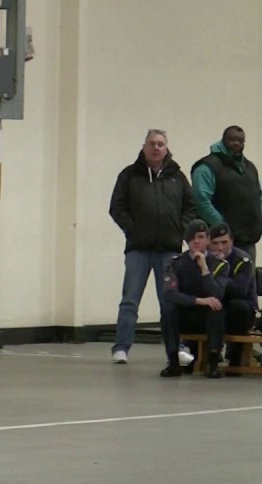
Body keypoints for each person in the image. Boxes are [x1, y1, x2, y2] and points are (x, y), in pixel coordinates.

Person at [106, 129, 197, 364]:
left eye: (161, 144)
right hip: (139, 248)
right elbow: (117, 207)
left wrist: (181, 229)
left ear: (166, 148)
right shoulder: (129, 175)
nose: (156, 148)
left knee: (169, 301)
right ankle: (121, 348)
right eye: (152, 144)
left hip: (169, 249)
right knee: (130, 299)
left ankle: (177, 347)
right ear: (144, 147)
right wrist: (132, 229)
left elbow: (191, 206)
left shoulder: (178, 176)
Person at [159, 220, 229, 378]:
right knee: (168, 309)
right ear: (186, 241)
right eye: (192, 238)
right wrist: (199, 300)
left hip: (205, 318)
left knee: (216, 308)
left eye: (201, 237)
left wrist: (204, 269)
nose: (196, 241)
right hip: (186, 314)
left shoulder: (219, 264)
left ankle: (212, 364)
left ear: (208, 239)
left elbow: (217, 294)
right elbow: (169, 293)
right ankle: (173, 363)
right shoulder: (176, 263)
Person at [191, 126, 261, 262]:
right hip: (219, 243)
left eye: (240, 141)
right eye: (232, 139)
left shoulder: (250, 168)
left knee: (246, 282)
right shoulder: (207, 167)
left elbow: (259, 197)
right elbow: (201, 201)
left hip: (248, 241)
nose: (236, 143)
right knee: (218, 281)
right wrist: (223, 228)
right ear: (223, 140)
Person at [206, 222, 256, 365]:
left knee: (237, 307)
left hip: (239, 309)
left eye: (224, 242)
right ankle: (201, 355)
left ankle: (235, 356)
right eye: (215, 243)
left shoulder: (242, 260)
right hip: (215, 307)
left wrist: (220, 272)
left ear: (232, 242)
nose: (220, 247)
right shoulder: (204, 259)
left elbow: (239, 291)